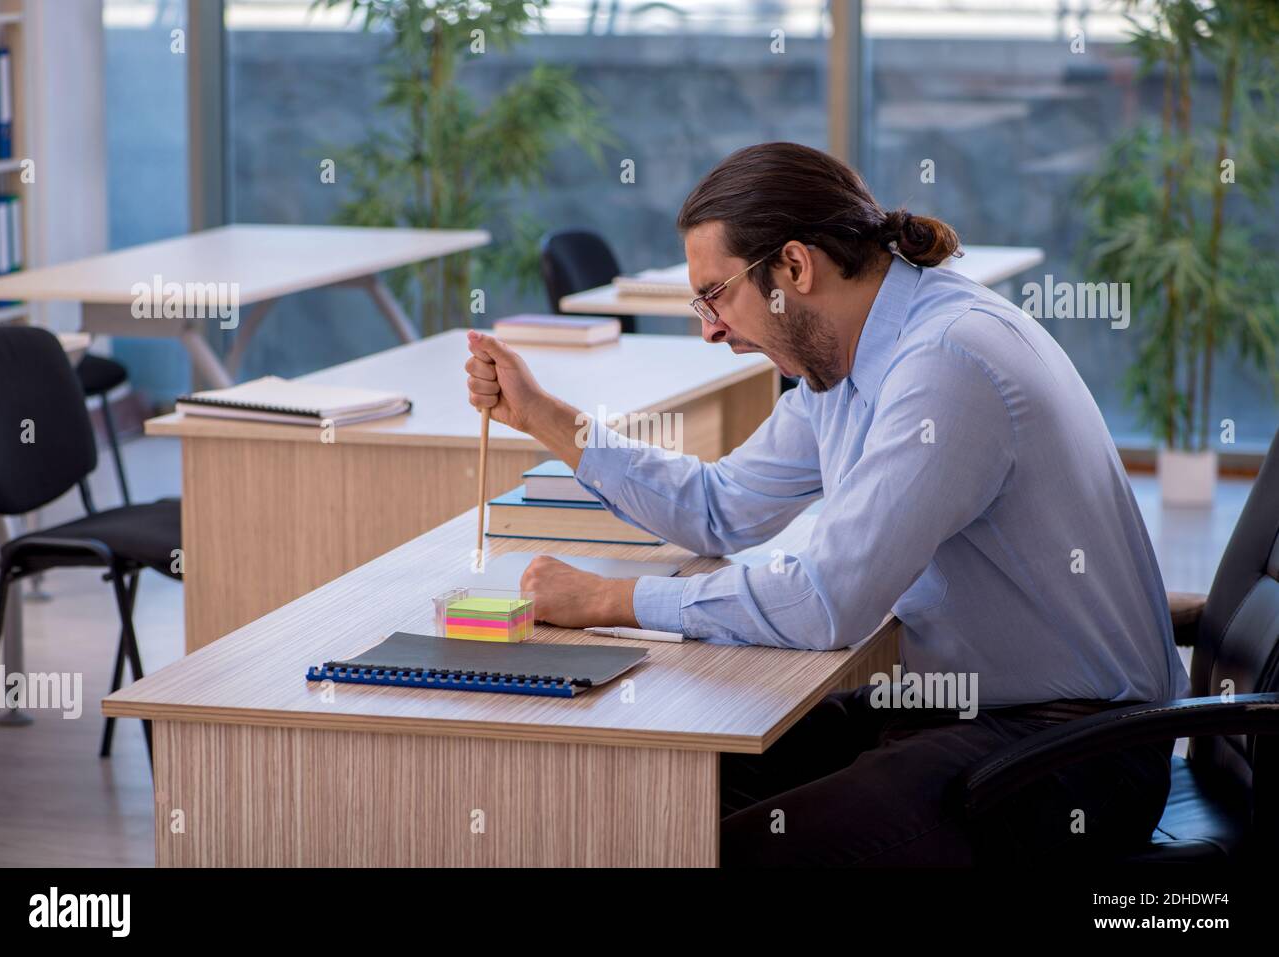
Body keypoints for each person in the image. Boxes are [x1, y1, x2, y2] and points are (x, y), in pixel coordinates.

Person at [464, 142, 1188, 865]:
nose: (709, 328)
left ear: (795, 268)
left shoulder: (946, 364)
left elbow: (825, 600)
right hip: (959, 707)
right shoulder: (839, 364)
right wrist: (545, 416)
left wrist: (608, 600)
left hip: (1075, 753)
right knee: (668, 791)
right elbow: (718, 508)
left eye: (715, 294)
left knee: (719, 852)